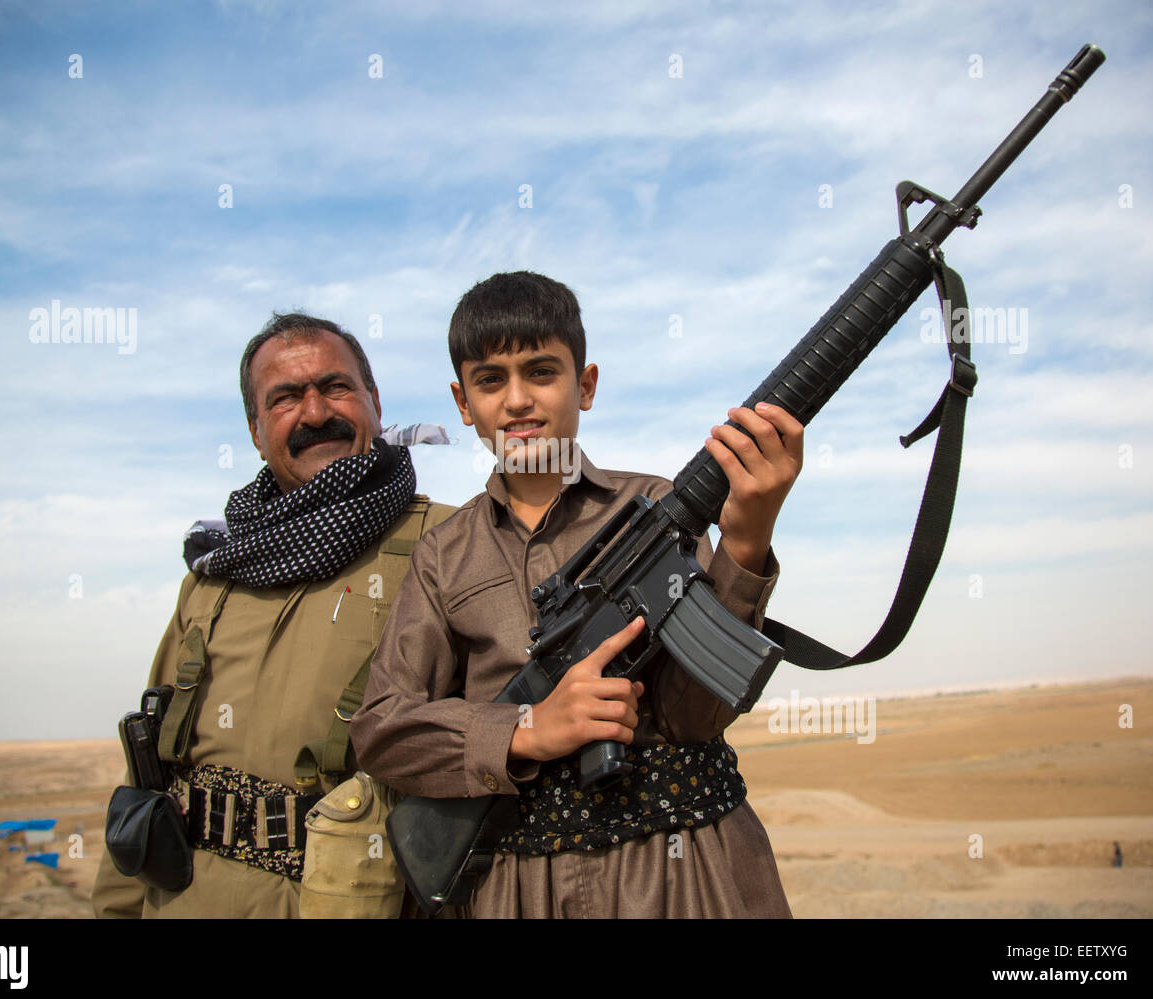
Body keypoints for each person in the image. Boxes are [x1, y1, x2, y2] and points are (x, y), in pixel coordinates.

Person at [352, 271, 801, 917]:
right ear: (461, 401)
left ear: (584, 384)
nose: (516, 400)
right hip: (518, 887)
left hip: (681, 870)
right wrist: (527, 728)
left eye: (541, 372)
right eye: (489, 380)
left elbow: (696, 717)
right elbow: (382, 726)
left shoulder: (657, 507)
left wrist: (746, 542)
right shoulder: (444, 556)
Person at [92, 312, 454, 918]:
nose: (315, 414)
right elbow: (149, 775)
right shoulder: (213, 575)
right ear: (257, 430)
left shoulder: (451, 544)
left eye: (336, 387)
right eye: (286, 398)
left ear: (374, 401)